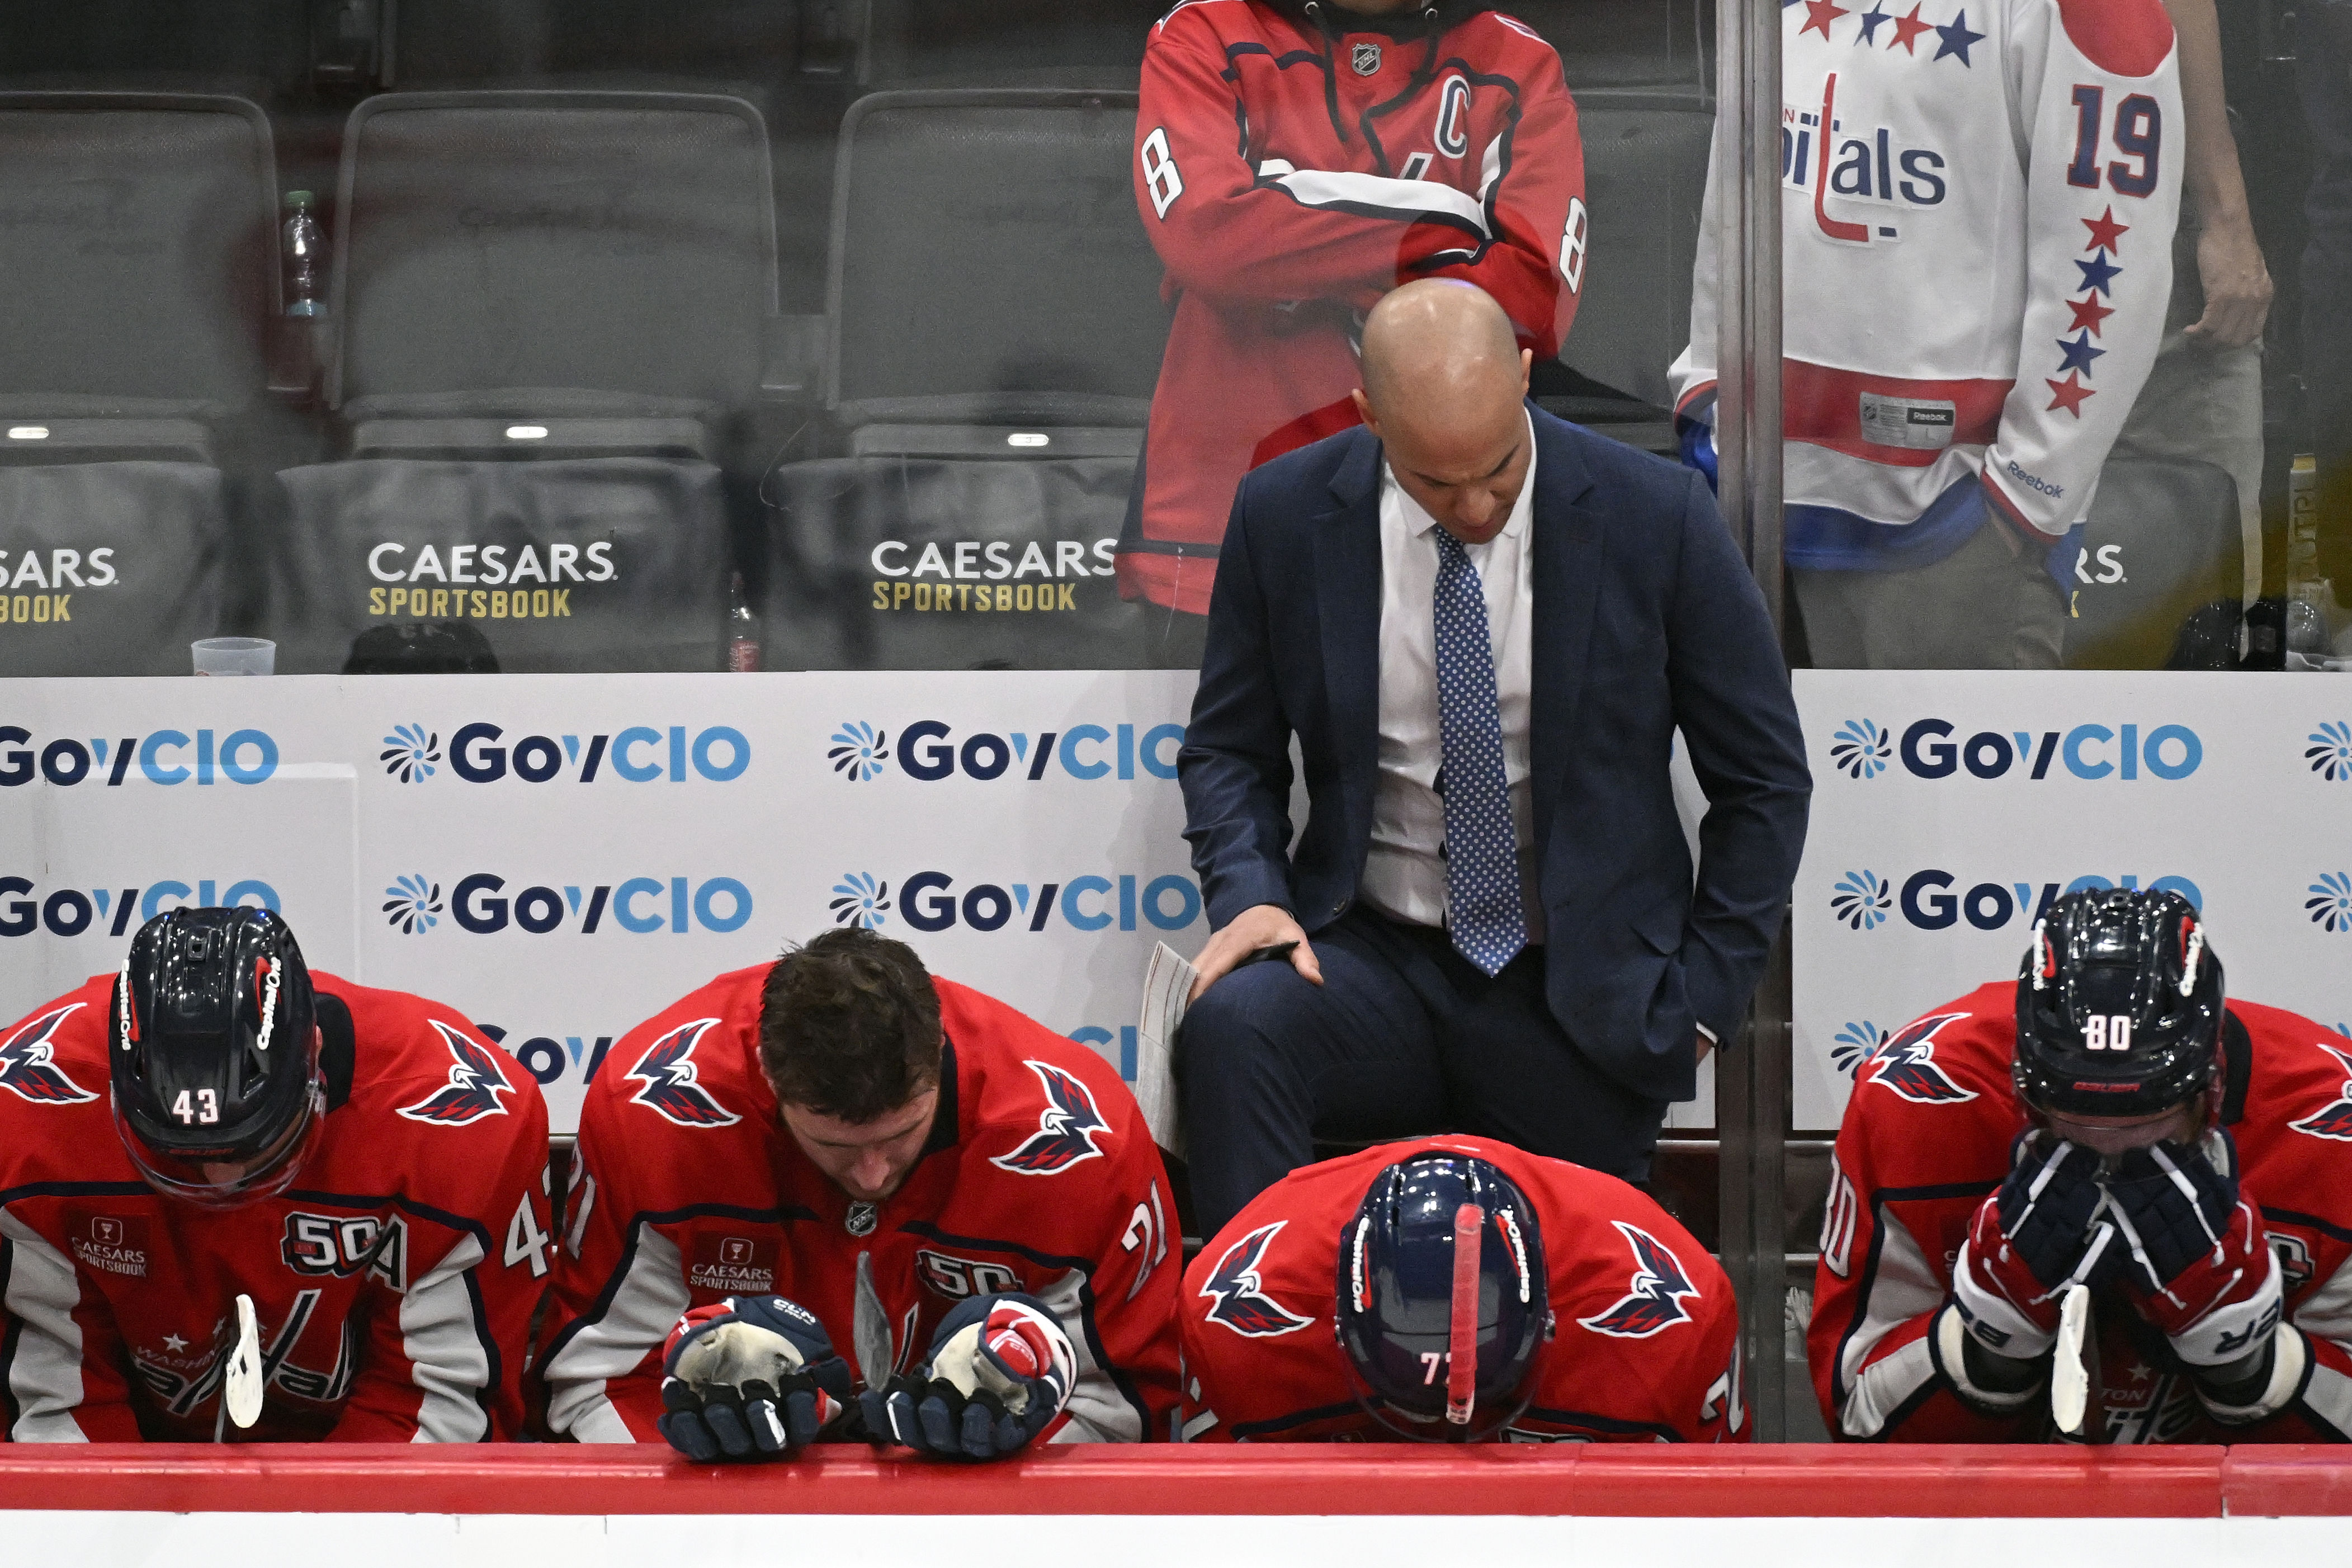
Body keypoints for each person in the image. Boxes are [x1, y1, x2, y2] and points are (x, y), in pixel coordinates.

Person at [1176, 278, 1810, 1238]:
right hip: (1368, 951)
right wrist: (1254, 896)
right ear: (1367, 414)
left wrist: (1704, 1001)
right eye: (1435, 481)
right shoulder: (1284, 513)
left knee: (1582, 1292)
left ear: (1523, 375)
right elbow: (1228, 746)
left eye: (1499, 469)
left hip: (1577, 985)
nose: (1474, 504)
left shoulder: (1658, 516)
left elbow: (1762, 779)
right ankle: (1257, 1352)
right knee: (1233, 1028)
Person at [1673, 0, 2185, 668]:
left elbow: (2111, 263)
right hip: (1755, 517)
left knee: (1957, 778)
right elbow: (1740, 186)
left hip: (1955, 533)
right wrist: (1709, 400)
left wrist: (2024, 498)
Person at [539, 927, 1178, 1460]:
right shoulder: (656, 1117)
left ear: (939, 1052)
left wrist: (988, 1460)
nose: (872, 1174)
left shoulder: (1079, 1142)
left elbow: (1126, 1409)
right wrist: (705, 1481)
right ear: (767, 1072)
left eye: (901, 1134)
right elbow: (600, 1383)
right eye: (835, 1145)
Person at [1118, 0, 1587, 645]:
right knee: (1223, 749)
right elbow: (1209, 238)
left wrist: (1288, 220)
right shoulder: (1205, 31)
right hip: (1216, 520)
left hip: (1446, 513)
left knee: (1428, 750)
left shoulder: (1518, 61)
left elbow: (1533, 307)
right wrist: (1445, 221)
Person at [1811, 888, 2352, 1442]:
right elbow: (1855, 1415)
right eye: (2078, 1116)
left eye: (2147, 1117)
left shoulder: (2333, 1123)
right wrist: (1981, 1346)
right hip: (1994, 1517)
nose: (2110, 1151)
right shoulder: (1917, 1105)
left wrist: (2257, 1367)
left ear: (2210, 1086)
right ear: (2024, 1090)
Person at [0, 907, 551, 1442]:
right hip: (144, 1465)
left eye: (251, 1141)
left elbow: (432, 1405)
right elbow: (54, 1402)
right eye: (183, 1151)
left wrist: (319, 1528)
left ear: (315, 1059)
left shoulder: (455, 1120)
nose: (219, 1178)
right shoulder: (27, 1115)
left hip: (366, 1463)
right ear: (118, 1086)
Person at [1177, 1137, 1745, 1442]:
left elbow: (1724, 1534)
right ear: (1334, 1321)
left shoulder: (1678, 1310)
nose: (1451, 1446)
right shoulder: (1232, 1314)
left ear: (1550, 1314)